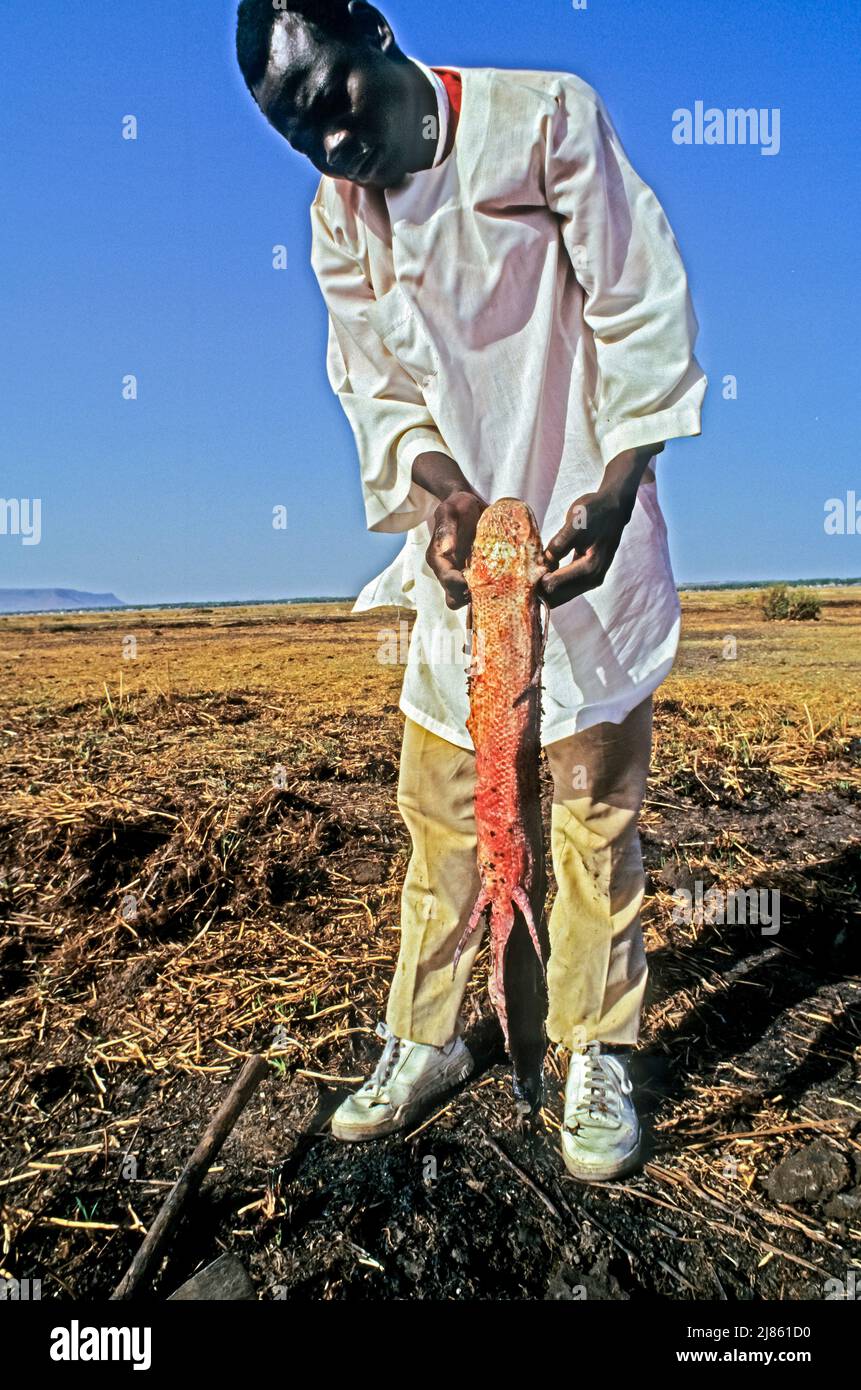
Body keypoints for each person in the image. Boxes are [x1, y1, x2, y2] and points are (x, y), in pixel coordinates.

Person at [236, 0, 706, 1181]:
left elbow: (639, 304)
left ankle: (596, 1046)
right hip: (467, 572)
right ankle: (430, 1034)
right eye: (301, 135)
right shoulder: (340, 218)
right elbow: (379, 390)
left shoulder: (544, 120)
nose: (334, 148)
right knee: (445, 807)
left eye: (333, 99)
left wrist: (611, 485)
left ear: (378, 35)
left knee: (594, 810)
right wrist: (441, 500)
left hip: (579, 521)